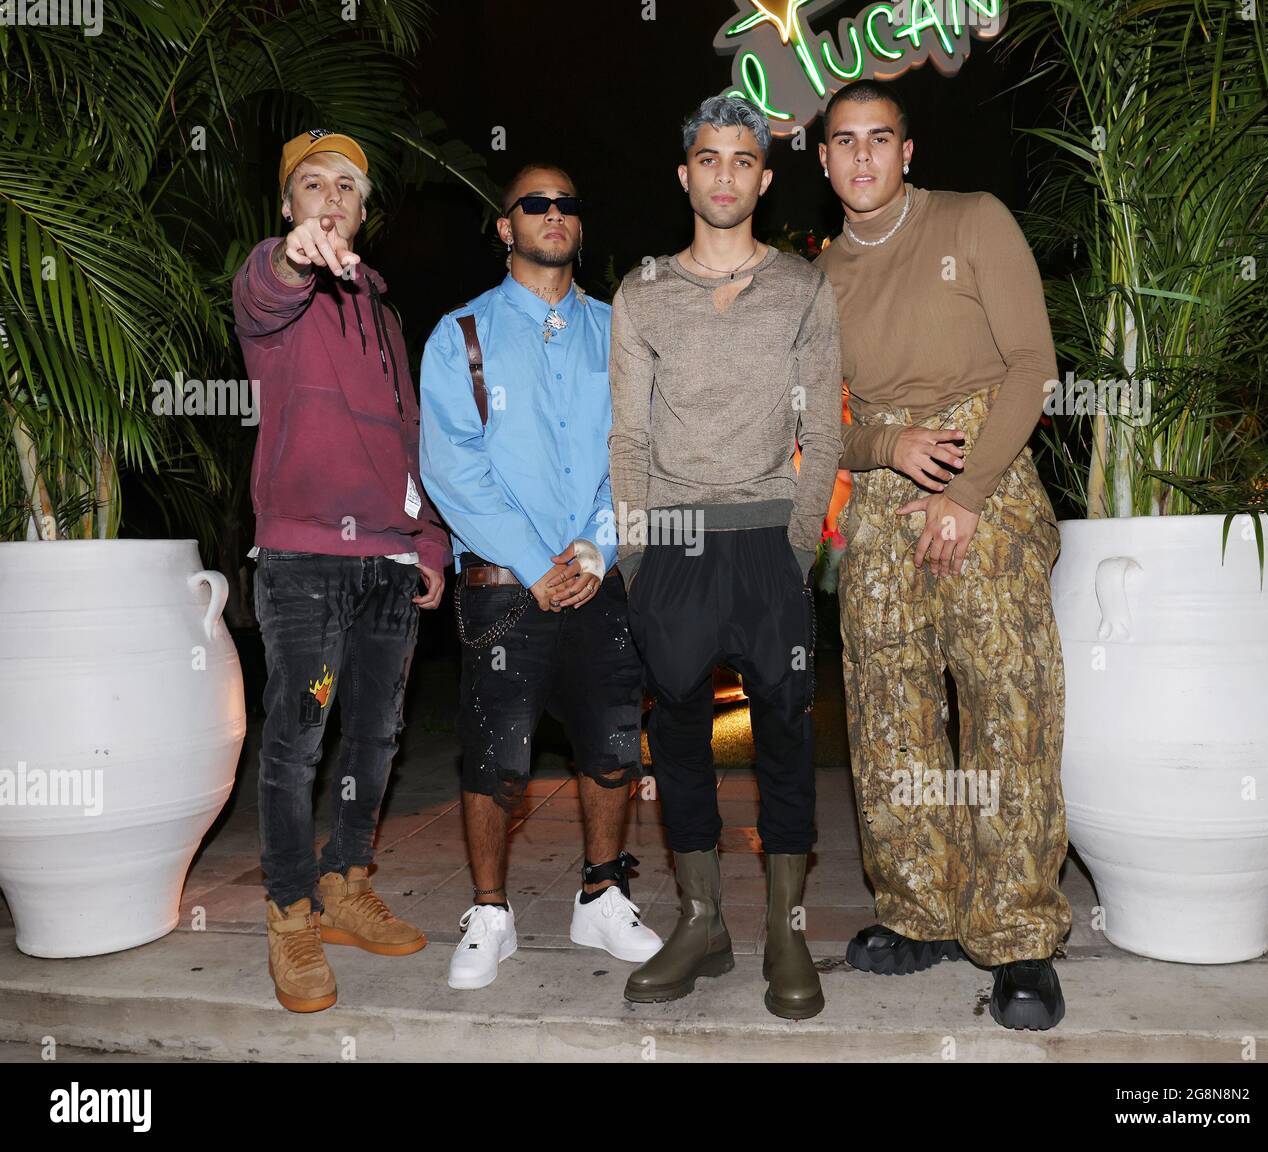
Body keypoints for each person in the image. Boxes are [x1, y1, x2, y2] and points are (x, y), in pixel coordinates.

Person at [815, 80, 1071, 1030]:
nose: (865, 157)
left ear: (907, 151)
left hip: (985, 467)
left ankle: (1018, 937)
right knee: (887, 711)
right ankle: (920, 907)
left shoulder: (974, 221)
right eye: (845, 142)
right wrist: (887, 449)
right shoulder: (821, 279)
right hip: (884, 489)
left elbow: (1032, 368)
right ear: (825, 160)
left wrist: (963, 495)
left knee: (1009, 701)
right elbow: (808, 425)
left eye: (881, 138)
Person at [609, 96, 842, 1020]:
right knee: (679, 733)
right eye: (708, 158)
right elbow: (628, 440)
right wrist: (636, 559)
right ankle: (702, 922)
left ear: (764, 177)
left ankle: (785, 929)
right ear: (685, 174)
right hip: (670, 539)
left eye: (743, 160)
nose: (724, 175)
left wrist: (793, 551)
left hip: (766, 538)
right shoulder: (642, 292)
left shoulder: (803, 290)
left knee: (786, 732)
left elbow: (820, 435)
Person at [420, 163, 662, 991]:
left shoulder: (615, 331)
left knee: (611, 744)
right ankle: (491, 910)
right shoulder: (462, 335)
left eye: (569, 203)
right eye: (536, 204)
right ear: (505, 226)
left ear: (580, 227)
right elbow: (452, 467)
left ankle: (601, 895)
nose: (554, 214)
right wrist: (536, 564)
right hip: (500, 583)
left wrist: (592, 553)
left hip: (598, 577)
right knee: (494, 757)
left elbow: (631, 455)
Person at [233, 130, 451, 1013]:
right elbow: (260, 295)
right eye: (311, 186)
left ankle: (344, 883)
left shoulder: (388, 316)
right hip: (303, 563)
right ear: (288, 208)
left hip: (387, 566)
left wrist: (427, 540)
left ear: (366, 211)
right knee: (296, 740)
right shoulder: (278, 298)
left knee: (374, 737)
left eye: (346, 189)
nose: (329, 200)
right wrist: (289, 260)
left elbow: (410, 441)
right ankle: (289, 914)